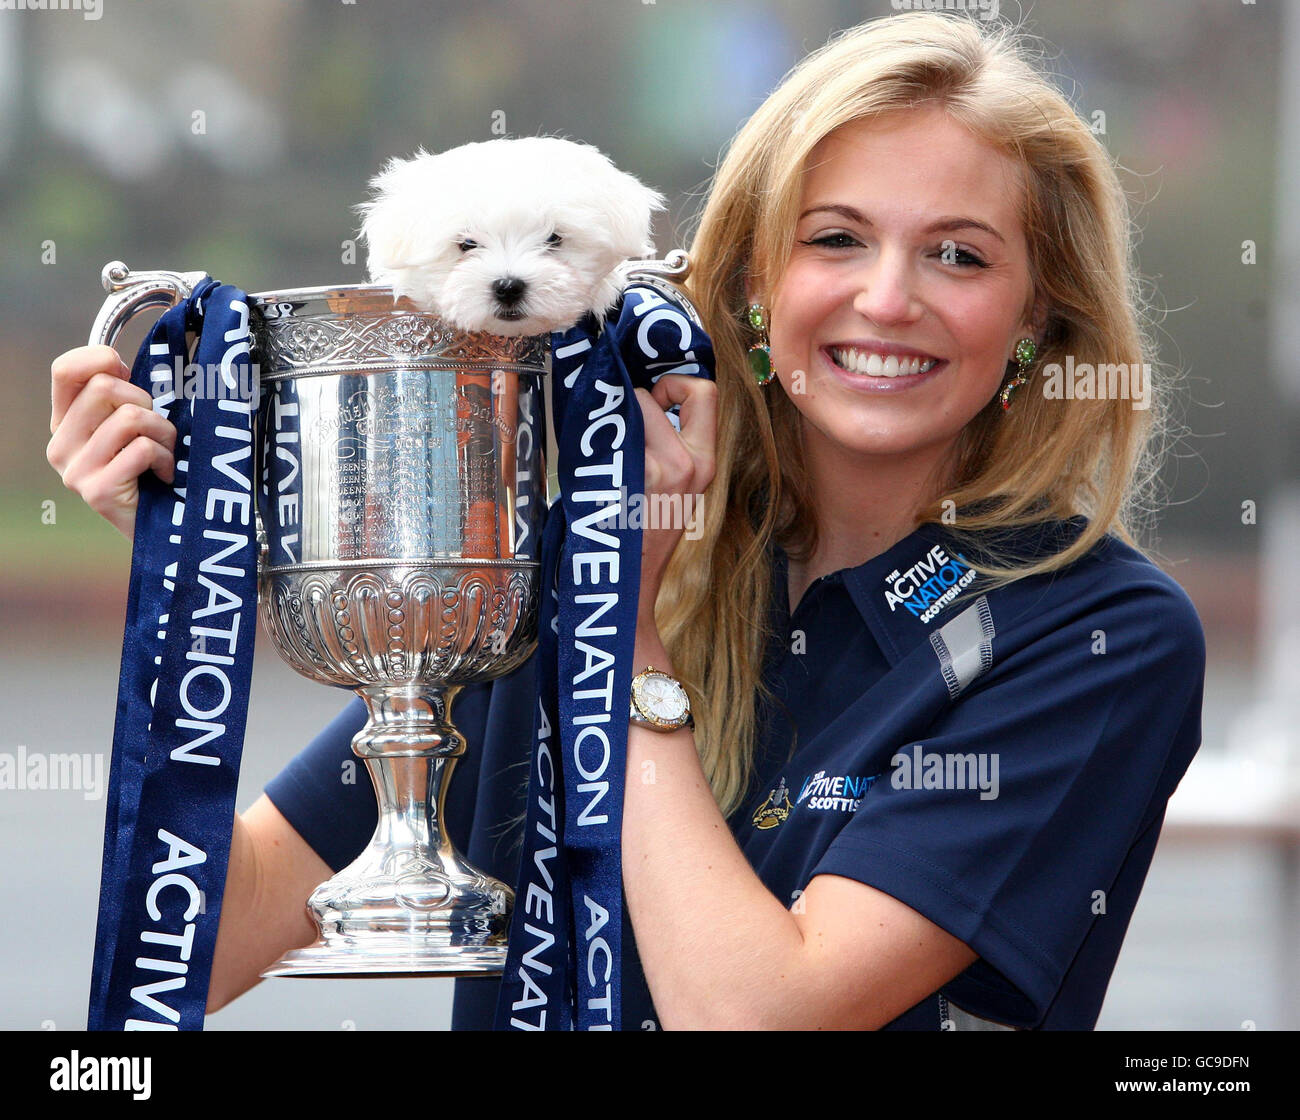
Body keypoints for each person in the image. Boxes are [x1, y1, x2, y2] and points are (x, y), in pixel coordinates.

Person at [47, 11, 1205, 1030]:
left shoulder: (1100, 635)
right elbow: (196, 957)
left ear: (1040, 319)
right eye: (835, 238)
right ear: (750, 281)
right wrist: (185, 569)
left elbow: (757, 1014)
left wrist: (627, 638)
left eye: (957, 254)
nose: (887, 297)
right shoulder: (555, 551)